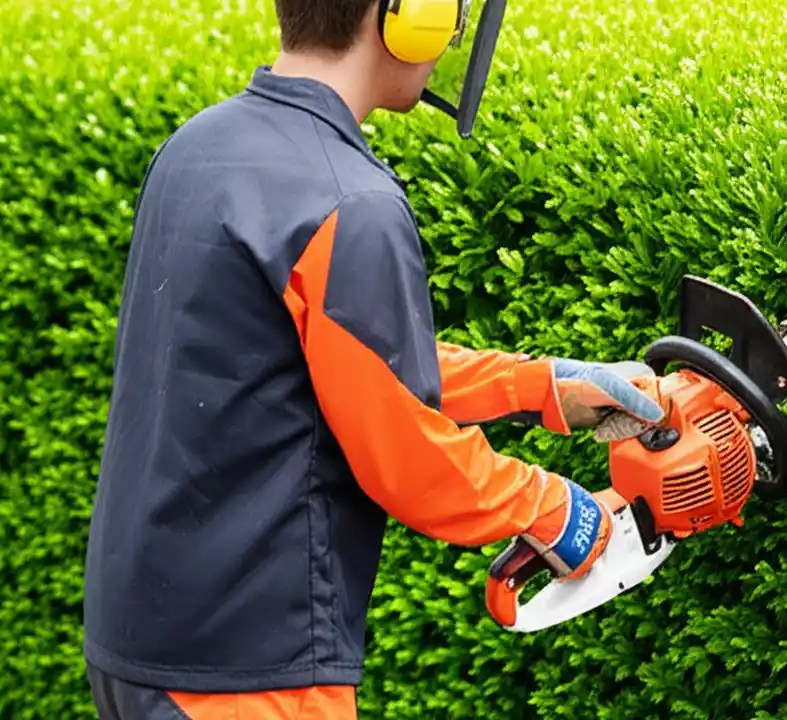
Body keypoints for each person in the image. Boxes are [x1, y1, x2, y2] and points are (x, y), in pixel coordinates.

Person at [81, 0, 665, 717]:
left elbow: (340, 366)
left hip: (140, 642)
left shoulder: (199, 147)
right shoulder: (346, 199)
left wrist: (538, 386)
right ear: (404, 15)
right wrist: (558, 513)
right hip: (250, 676)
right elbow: (406, 457)